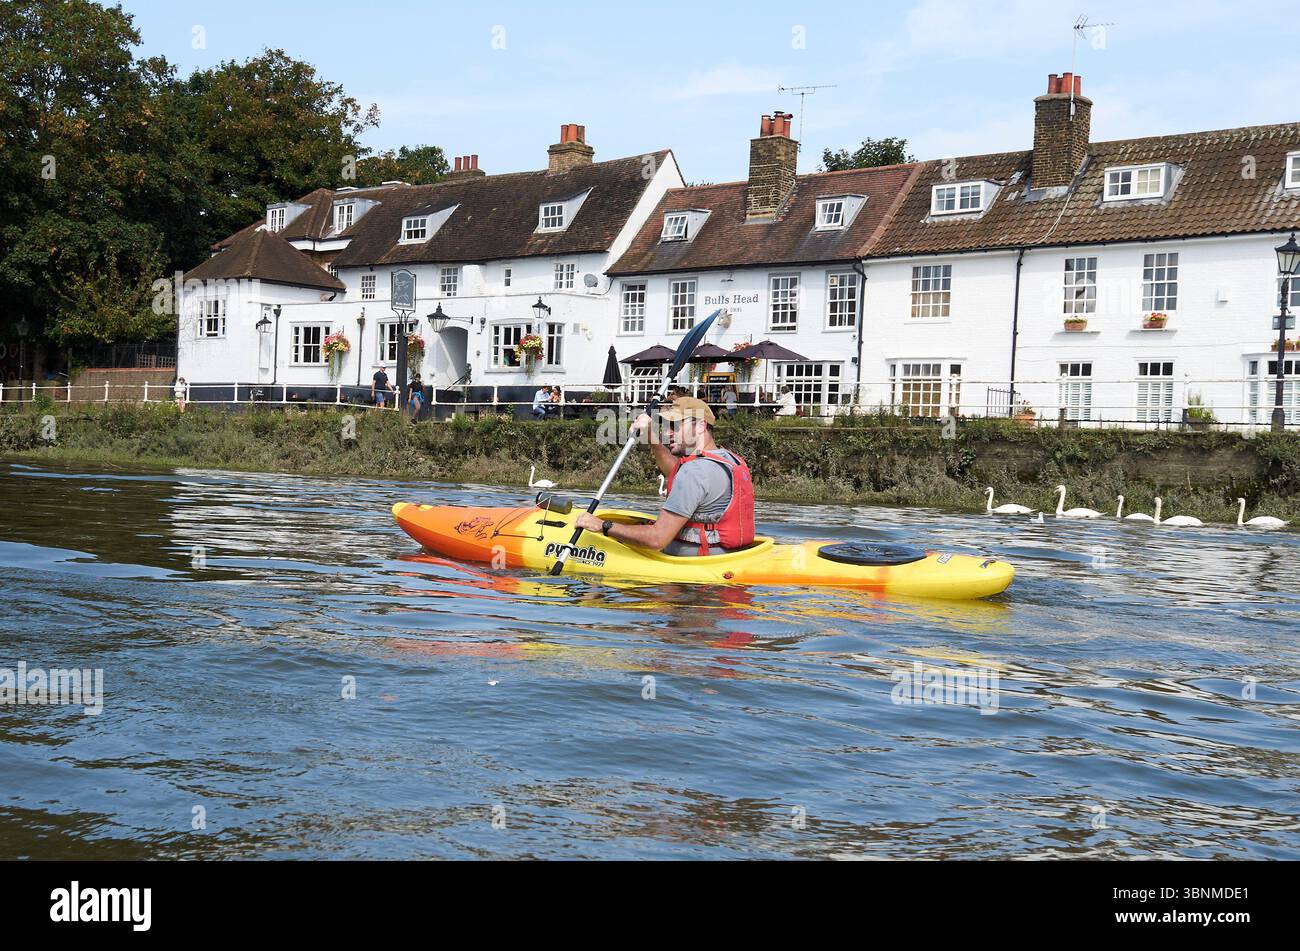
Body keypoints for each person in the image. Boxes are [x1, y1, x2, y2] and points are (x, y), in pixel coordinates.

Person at [575, 397, 755, 557]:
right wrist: (650, 436)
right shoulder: (727, 459)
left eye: (675, 426)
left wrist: (602, 526)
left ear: (700, 426)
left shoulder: (694, 472)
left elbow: (657, 540)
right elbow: (676, 473)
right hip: (730, 555)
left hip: (691, 581)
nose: (668, 432)